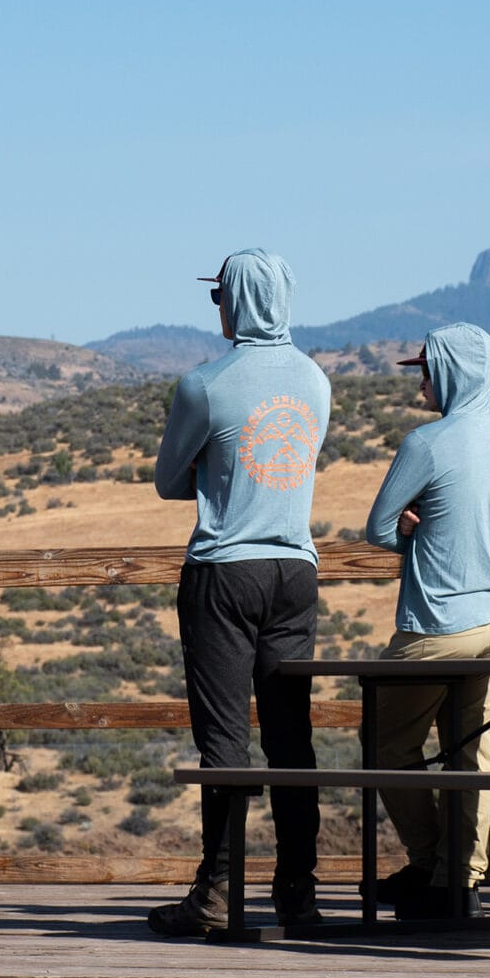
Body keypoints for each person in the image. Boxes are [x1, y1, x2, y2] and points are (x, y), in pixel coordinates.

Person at [148, 249, 331, 936]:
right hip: (296, 571)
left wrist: (216, 472)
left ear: (240, 300)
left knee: (225, 741)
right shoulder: (315, 380)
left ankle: (220, 891)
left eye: (219, 294)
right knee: (292, 739)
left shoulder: (205, 385)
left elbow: (169, 480)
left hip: (224, 570)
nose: (217, 307)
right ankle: (299, 892)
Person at [362, 324, 490, 915]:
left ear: (452, 373)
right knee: (474, 753)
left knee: (385, 741)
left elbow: (378, 528)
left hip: (439, 622)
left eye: (427, 370)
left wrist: (412, 533)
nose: (421, 382)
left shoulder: (425, 444)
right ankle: (461, 881)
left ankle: (429, 860)